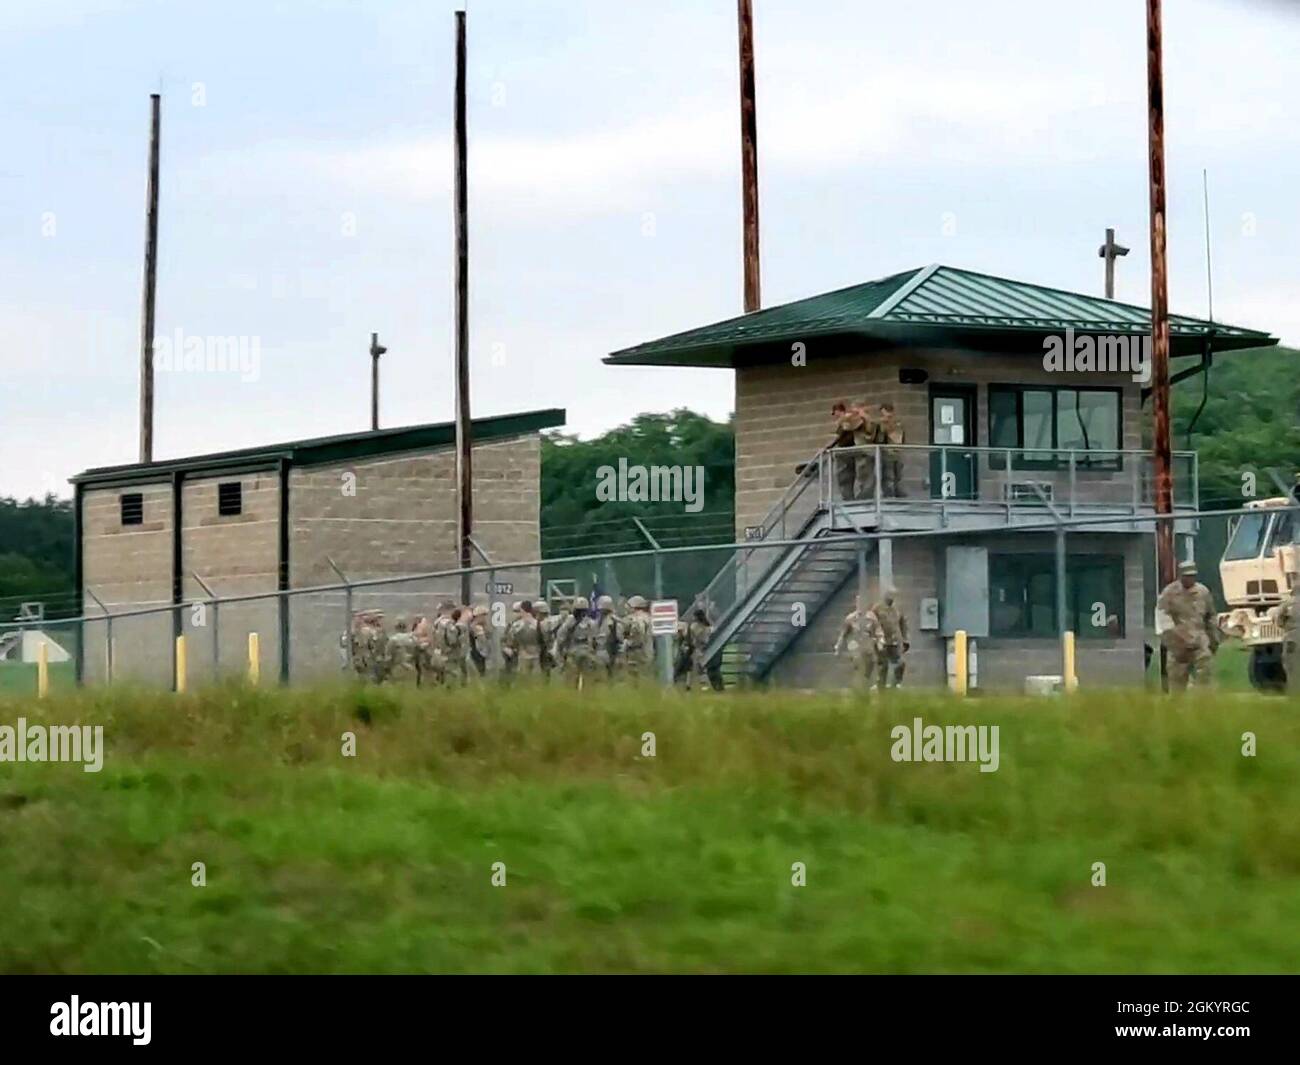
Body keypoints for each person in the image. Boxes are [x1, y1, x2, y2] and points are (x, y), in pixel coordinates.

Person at [1156, 560, 1219, 692]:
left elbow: (1211, 616)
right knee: (1177, 682)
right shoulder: (1169, 593)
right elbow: (1162, 616)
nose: (1190, 579)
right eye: (1186, 576)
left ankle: (1202, 702)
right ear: (1180, 576)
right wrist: (1172, 639)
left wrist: (1214, 639)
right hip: (1178, 645)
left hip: (1200, 642)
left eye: (1192, 576)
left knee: (1204, 679)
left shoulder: (1203, 592)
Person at [834, 597, 883, 690]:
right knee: (858, 661)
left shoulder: (871, 617)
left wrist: (880, 641)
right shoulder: (850, 618)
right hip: (855, 643)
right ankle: (858, 684)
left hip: (867, 643)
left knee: (871, 661)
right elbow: (843, 634)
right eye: (859, 603)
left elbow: (878, 630)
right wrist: (838, 647)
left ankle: (866, 681)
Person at [554, 596, 600, 688]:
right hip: (587, 652)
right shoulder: (591, 623)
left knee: (570, 681)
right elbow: (596, 640)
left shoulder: (569, 622)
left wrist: (561, 652)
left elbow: (560, 637)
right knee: (588, 681)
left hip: (573, 653)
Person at [871, 587, 910, 688]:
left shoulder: (897, 609)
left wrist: (905, 639)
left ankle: (896, 684)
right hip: (882, 642)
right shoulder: (877, 608)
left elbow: (903, 624)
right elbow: (871, 623)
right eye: (890, 595)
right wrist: (875, 639)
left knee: (901, 663)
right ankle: (881, 687)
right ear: (885, 596)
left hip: (895, 642)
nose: (892, 598)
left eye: (894, 595)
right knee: (883, 665)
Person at [505, 600, 543, 681]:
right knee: (536, 681)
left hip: (522, 654)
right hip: (536, 654)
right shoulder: (538, 623)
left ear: (522, 610)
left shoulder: (517, 625)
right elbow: (544, 639)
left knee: (523, 680)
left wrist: (510, 647)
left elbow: (510, 639)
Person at [621, 595, 655, 681]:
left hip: (638, 654)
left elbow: (638, 637)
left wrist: (628, 643)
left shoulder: (638, 619)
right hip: (647, 651)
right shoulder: (648, 617)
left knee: (635, 678)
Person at [877, 402, 906, 498]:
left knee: (898, 475)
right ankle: (889, 495)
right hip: (887, 453)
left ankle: (897, 493)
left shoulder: (898, 423)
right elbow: (880, 438)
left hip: (897, 452)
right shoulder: (881, 424)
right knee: (888, 476)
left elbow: (900, 436)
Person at [684, 606, 713, 693]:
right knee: (698, 667)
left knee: (695, 667)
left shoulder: (695, 626)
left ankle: (693, 685)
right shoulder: (707, 627)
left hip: (696, 648)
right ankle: (694, 685)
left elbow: (691, 636)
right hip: (702, 648)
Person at [594, 595, 622, 678]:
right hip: (599, 651)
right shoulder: (598, 620)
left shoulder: (615, 621)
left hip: (610, 652)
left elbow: (619, 638)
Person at [1278, 584, 1299, 693]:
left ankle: (1294, 691)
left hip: (1292, 638)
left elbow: (1279, 621)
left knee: (1290, 665)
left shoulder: (1287, 604)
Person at [536, 600, 560, 680]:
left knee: (545, 672)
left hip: (545, 650)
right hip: (543, 650)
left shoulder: (546, 623)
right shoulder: (544, 623)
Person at [468, 605, 492, 680]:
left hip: (478, 652)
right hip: (478, 653)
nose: (485, 618)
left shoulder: (475, 626)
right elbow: (483, 641)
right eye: (483, 615)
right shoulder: (477, 627)